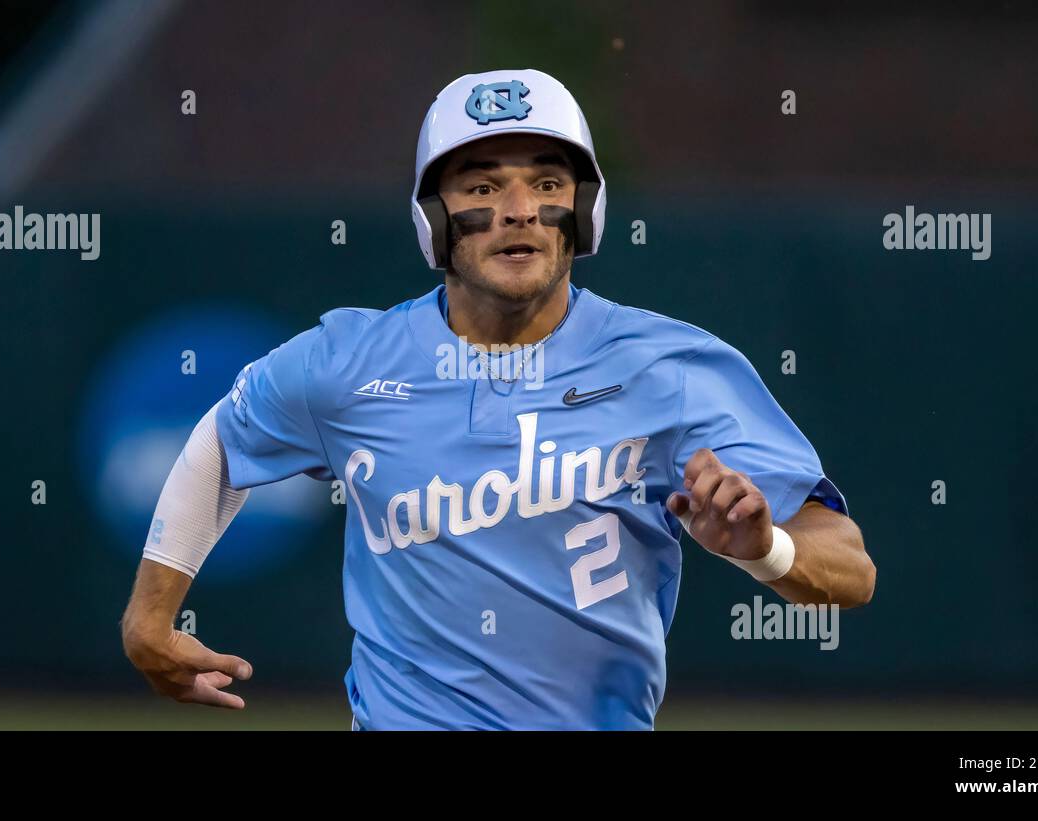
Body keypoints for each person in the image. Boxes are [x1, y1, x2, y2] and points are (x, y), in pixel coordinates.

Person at [120, 69, 875, 730]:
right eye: (482, 186)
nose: (519, 209)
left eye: (547, 183)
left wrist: (764, 548)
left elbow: (851, 569)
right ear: (433, 219)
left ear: (582, 211)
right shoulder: (347, 364)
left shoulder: (670, 367)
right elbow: (224, 438)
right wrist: (150, 616)